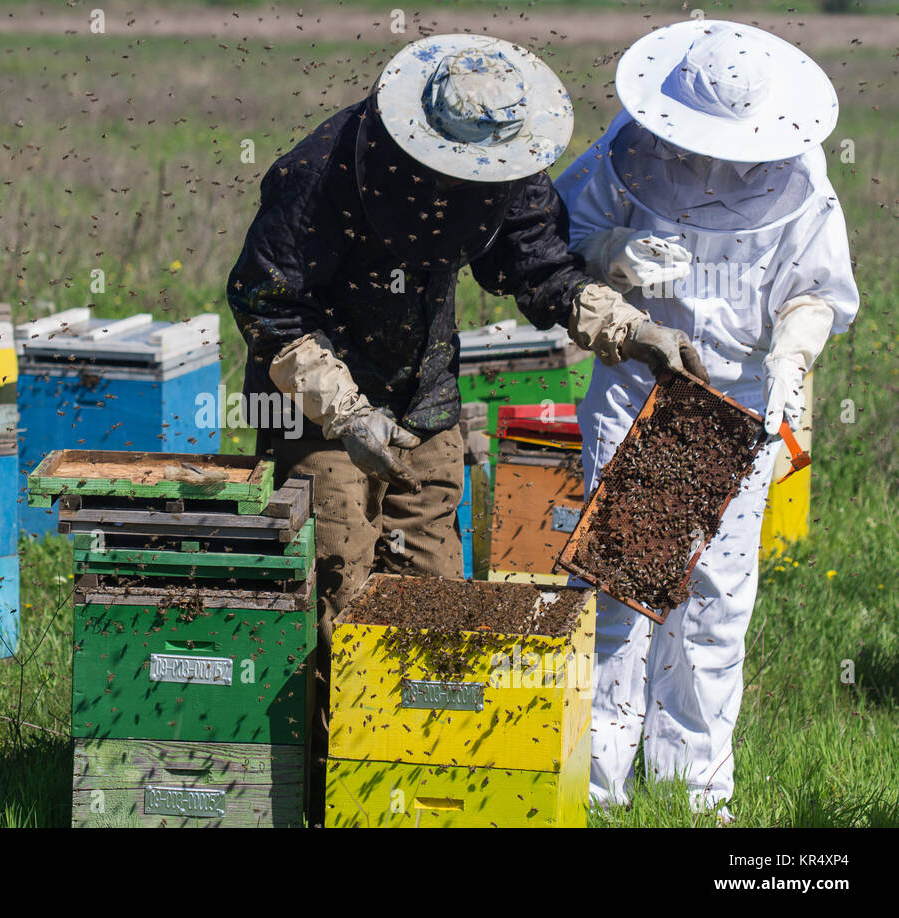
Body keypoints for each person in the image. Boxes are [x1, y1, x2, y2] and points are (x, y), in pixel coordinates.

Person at [226, 33, 706, 825]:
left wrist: (632, 330)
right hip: (316, 405)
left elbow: (540, 266)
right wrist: (346, 413)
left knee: (433, 600)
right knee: (335, 592)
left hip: (427, 397)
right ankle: (320, 795)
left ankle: (406, 792)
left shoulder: (507, 164)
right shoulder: (320, 174)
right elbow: (266, 305)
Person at [554, 19, 860, 822]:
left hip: (741, 403)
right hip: (641, 388)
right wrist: (618, 252)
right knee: (624, 591)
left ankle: (693, 794)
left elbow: (817, 290)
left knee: (716, 601)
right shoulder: (627, 146)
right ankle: (602, 790)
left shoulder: (801, 171)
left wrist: (793, 359)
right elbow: (555, 241)